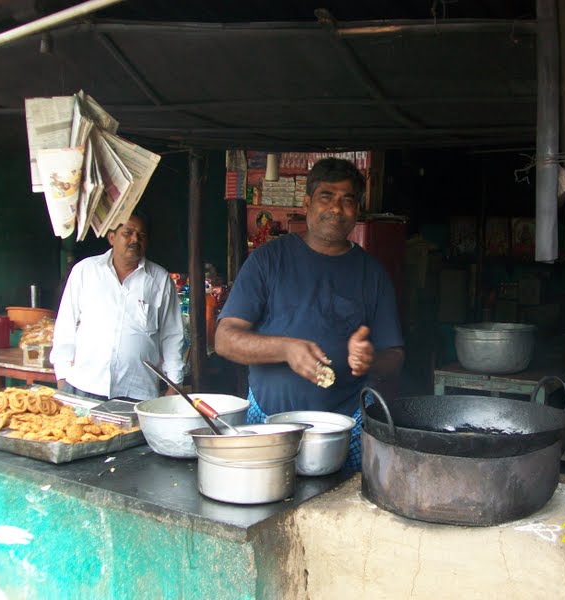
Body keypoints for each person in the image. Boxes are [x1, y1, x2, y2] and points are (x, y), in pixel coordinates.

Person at [215, 158, 405, 470]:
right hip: (268, 418)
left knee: (340, 510)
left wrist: (370, 359)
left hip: (347, 423)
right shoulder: (268, 260)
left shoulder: (372, 274)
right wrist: (285, 349)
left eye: (347, 200)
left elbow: (395, 358)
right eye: (326, 197)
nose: (336, 209)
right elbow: (225, 340)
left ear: (357, 210)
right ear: (307, 203)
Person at [50, 212, 184, 402]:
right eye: (128, 233)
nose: (135, 239)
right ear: (111, 237)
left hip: (137, 392)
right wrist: (62, 376)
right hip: (84, 385)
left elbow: (172, 336)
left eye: (141, 235)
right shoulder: (85, 271)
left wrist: (173, 385)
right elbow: (65, 325)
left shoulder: (160, 280)